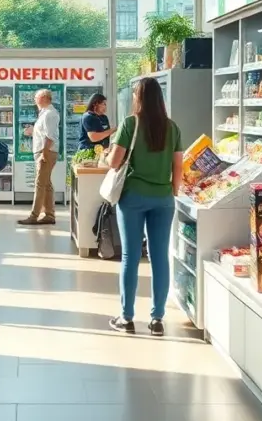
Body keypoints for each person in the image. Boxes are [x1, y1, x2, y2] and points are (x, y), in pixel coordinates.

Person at [106, 76, 182, 337]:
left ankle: (127, 317)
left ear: (137, 97)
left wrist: (109, 154)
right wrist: (171, 192)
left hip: (133, 197)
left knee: (130, 257)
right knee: (160, 257)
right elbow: (178, 166)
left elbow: (114, 163)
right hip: (163, 199)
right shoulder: (172, 127)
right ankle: (157, 319)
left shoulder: (130, 124)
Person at [18, 88, 60, 226]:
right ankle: (49, 214)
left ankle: (34, 216)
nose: (34, 100)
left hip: (46, 152)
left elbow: (50, 136)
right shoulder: (44, 114)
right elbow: (45, 134)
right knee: (46, 184)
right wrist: (33, 132)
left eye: (36, 97)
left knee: (40, 184)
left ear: (43, 98)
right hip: (43, 151)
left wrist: (44, 153)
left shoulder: (49, 114)